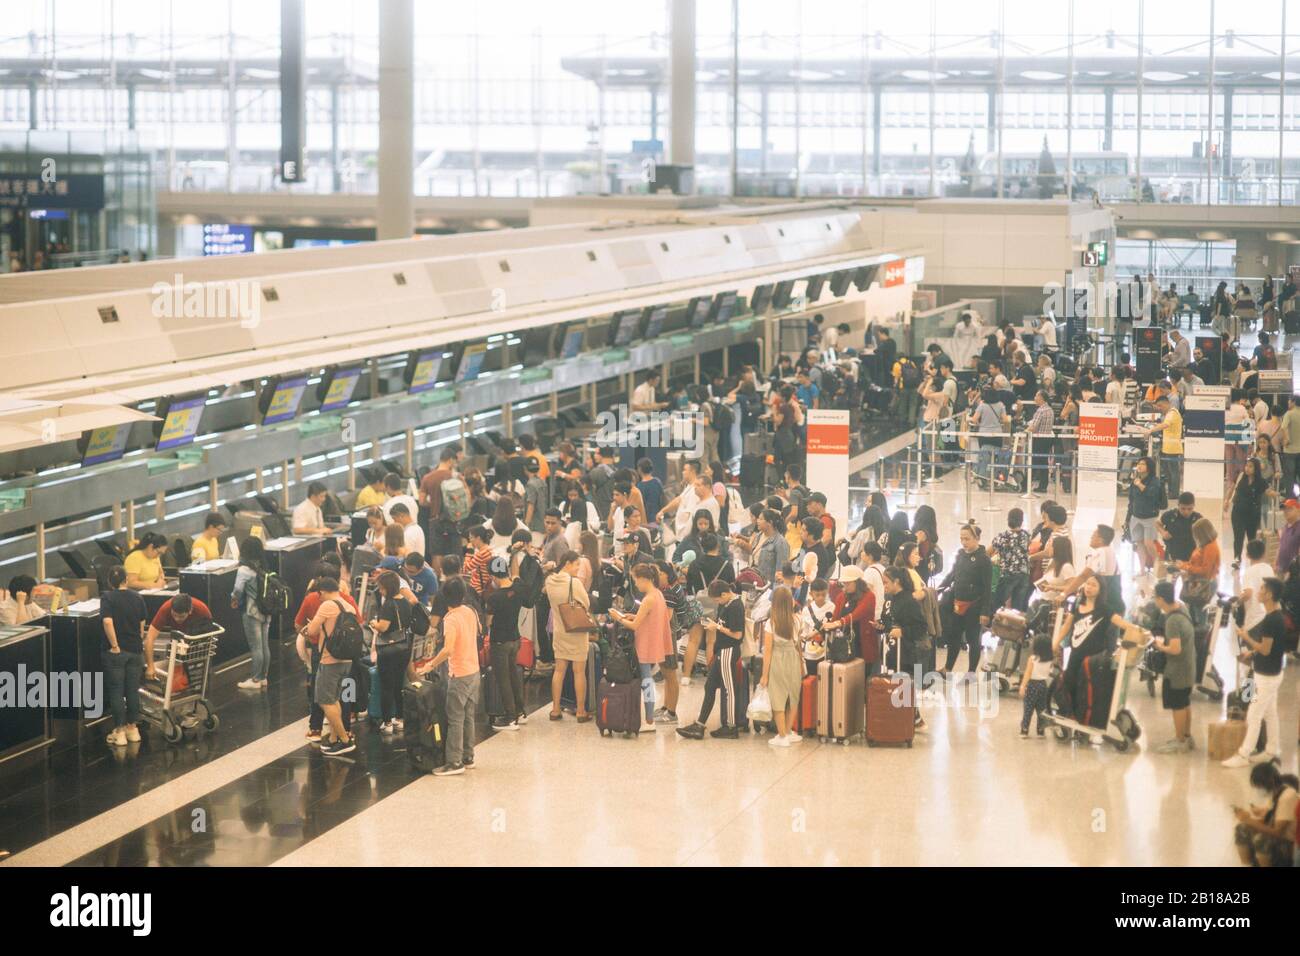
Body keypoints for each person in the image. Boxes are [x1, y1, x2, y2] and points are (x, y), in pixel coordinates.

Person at [1221, 572, 1288, 768]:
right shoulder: (1276, 616)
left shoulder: (1271, 620)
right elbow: (1270, 647)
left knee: (1254, 714)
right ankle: (1270, 750)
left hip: (1266, 676)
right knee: (1270, 713)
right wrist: (1252, 652)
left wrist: (1246, 637)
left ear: (1269, 594)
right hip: (1273, 672)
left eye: (1262, 589)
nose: (1258, 592)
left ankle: (1244, 754)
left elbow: (1266, 649)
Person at [419, 577, 480, 775]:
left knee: (455, 717)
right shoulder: (470, 611)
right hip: (474, 670)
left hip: (459, 672)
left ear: (444, 598)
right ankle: (468, 756)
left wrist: (430, 665)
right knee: (468, 715)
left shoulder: (450, 619)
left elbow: (448, 649)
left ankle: (454, 762)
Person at [676, 577, 748, 740]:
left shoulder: (736, 606)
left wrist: (718, 628)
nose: (716, 602)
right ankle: (700, 725)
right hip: (721, 651)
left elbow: (737, 634)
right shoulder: (726, 603)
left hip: (729, 650)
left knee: (729, 689)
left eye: (716, 599)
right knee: (709, 687)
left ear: (724, 594)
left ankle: (730, 726)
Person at [610, 563, 672, 734]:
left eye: (636, 580)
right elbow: (646, 617)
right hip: (654, 644)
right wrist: (633, 615)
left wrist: (618, 617)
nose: (636, 584)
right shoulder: (658, 595)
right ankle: (649, 717)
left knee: (646, 682)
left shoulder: (648, 598)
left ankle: (649, 720)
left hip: (644, 645)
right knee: (648, 681)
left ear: (645, 579)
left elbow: (635, 625)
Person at [303, 576, 360, 757]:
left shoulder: (327, 606)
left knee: (325, 700)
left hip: (329, 660)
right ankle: (334, 739)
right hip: (346, 659)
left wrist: (310, 629)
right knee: (335, 699)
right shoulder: (348, 605)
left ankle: (344, 740)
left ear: (321, 592)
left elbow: (312, 631)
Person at [544, 551, 594, 722]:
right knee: (579, 671)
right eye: (576, 564)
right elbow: (585, 604)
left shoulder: (550, 581)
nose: (578, 568)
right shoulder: (575, 583)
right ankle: (580, 711)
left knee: (559, 670)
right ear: (567, 563)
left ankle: (555, 709)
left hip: (559, 630)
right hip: (576, 631)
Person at [100, 565, 147, 747]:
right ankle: (133, 729)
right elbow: (142, 622)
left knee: (116, 691)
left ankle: (119, 732)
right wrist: (138, 640)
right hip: (135, 650)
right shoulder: (137, 597)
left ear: (109, 582)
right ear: (126, 580)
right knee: (132, 689)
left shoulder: (107, 597)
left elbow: (107, 621)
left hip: (117, 653)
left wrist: (114, 645)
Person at [1147, 580, 1196, 754]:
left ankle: (1180, 740)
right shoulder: (1182, 607)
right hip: (1189, 665)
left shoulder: (1172, 621)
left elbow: (1175, 649)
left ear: (1160, 599)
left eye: (1155, 597)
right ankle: (1187, 736)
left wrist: (1158, 645)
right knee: (1185, 702)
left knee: (1177, 705)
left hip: (1178, 669)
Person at [938, 523, 993, 674]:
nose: (963, 542)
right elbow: (952, 575)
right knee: (953, 637)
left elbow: (988, 589)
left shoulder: (984, 560)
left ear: (977, 538)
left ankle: (971, 673)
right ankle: (947, 668)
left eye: (967, 539)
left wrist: (985, 612)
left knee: (973, 640)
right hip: (957, 604)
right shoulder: (960, 555)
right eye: (961, 538)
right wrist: (938, 590)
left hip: (974, 606)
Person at [480, 555, 527, 732]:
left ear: (493, 576)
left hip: (500, 641)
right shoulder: (518, 589)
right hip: (515, 639)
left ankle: (509, 717)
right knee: (514, 675)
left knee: (503, 679)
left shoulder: (494, 598)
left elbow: (489, 622)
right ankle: (520, 711)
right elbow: (516, 577)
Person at [761, 586, 807, 747]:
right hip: (793, 659)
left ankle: (781, 736)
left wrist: (764, 675)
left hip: (777, 660)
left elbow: (767, 652)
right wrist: (801, 664)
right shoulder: (797, 619)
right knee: (793, 697)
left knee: (778, 697)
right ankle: (788, 731)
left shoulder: (771, 623)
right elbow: (798, 645)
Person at [371, 570, 415, 735]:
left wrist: (374, 624)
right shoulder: (405, 601)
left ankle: (387, 722)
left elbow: (384, 627)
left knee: (386, 686)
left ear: (387, 588)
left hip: (389, 650)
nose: (380, 591)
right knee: (399, 684)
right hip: (404, 647)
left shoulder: (388, 605)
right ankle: (400, 718)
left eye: (381, 588)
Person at [1232, 762, 1299, 867]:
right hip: (1277, 839)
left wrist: (1248, 819)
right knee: (1242, 828)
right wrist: (1248, 818)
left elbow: (1277, 832)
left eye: (1259, 785)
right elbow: (1269, 817)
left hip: (1286, 844)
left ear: (1270, 782)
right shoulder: (1276, 793)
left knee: (1261, 839)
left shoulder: (1287, 796)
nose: (1258, 789)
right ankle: (1247, 864)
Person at [144, 591, 213, 683]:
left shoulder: (202, 610)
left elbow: (207, 638)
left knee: (195, 672)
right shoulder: (166, 608)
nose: (177, 619)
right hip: (177, 642)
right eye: (174, 615)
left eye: (181, 616)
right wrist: (150, 666)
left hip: (194, 642)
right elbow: (149, 638)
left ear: (190, 611)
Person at [1227, 457, 1271, 569]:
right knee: (1238, 536)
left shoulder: (1261, 481)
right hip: (1238, 512)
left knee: (1251, 537)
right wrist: (1226, 501)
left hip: (1253, 514)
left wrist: (1277, 496)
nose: (1247, 468)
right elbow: (1233, 489)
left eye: (1250, 466)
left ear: (1256, 468)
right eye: (1246, 465)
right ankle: (1237, 558)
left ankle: (1253, 558)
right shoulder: (1241, 476)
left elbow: (1268, 491)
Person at [1127, 457, 1164, 575]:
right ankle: (1142, 569)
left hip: (1150, 517)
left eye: (1143, 464)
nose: (1139, 466)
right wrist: (1128, 518)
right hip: (1136, 516)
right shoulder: (1135, 481)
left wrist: (1140, 485)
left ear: (1149, 467)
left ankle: (1158, 564)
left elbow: (1152, 495)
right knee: (1139, 543)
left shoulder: (1155, 481)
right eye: (1138, 463)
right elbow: (1131, 500)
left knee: (1149, 543)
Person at [989, 508, 1031, 611]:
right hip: (1024, 574)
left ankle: (994, 624)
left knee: (997, 603)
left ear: (1008, 520)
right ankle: (1014, 625)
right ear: (1021, 521)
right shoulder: (1026, 535)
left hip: (1008, 574)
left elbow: (988, 552)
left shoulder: (1002, 536)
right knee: (1017, 607)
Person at [1146, 395, 1184, 499]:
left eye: (1160, 405)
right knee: (1169, 472)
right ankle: (1171, 492)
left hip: (1173, 448)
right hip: (1167, 447)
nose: (1159, 408)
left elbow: (1166, 424)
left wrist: (1151, 430)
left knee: (1173, 472)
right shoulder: (1169, 413)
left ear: (1167, 403)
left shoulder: (1172, 413)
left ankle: (1174, 494)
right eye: (1157, 406)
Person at [1018, 633, 1054, 739]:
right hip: (1043, 685)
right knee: (1041, 710)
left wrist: (1022, 686)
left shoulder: (1032, 659)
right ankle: (1040, 731)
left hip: (1032, 685)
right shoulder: (1050, 660)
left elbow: (1028, 673)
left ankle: (1024, 730)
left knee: (1028, 709)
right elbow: (1050, 673)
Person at [1159, 492, 1202, 578]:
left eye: (1190, 509)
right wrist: (1163, 532)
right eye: (1183, 508)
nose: (1186, 511)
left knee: (1187, 582)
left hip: (1190, 556)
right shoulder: (1170, 515)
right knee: (1169, 583)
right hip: (1172, 555)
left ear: (1194, 506)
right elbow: (1157, 523)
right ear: (1178, 505)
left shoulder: (1198, 518)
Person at [799, 577, 836, 676]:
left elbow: (833, 626)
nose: (821, 597)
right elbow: (804, 631)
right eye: (817, 595)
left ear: (827, 592)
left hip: (826, 651)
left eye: (823, 594)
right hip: (810, 652)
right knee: (812, 678)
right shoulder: (807, 610)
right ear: (811, 594)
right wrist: (804, 637)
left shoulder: (832, 607)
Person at [418, 446, 460, 519]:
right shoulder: (456, 476)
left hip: (435, 519)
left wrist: (433, 504)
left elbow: (421, 501)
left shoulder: (427, 478)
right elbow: (466, 496)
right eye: (455, 463)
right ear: (451, 460)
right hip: (454, 518)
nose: (455, 465)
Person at [1025, 390, 1055, 493]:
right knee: (1043, 463)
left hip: (1039, 439)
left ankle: (1026, 484)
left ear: (1041, 398)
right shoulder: (1050, 410)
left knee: (1034, 462)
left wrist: (1025, 430)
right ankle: (1043, 485)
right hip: (1047, 439)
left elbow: (1033, 427)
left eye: (1036, 396)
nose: (1034, 398)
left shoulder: (1040, 411)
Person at [522, 456, 549, 534]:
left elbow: (531, 505)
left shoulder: (530, 485)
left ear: (525, 468)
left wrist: (526, 526)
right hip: (543, 523)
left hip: (534, 526)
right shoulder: (542, 482)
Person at [1280, 395, 1300, 500]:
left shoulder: (1289, 414)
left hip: (1290, 451)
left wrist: (1287, 439)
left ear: (1293, 402)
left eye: (1289, 401)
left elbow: (1283, 427)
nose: (1288, 403)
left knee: (1289, 477)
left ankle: (1290, 500)